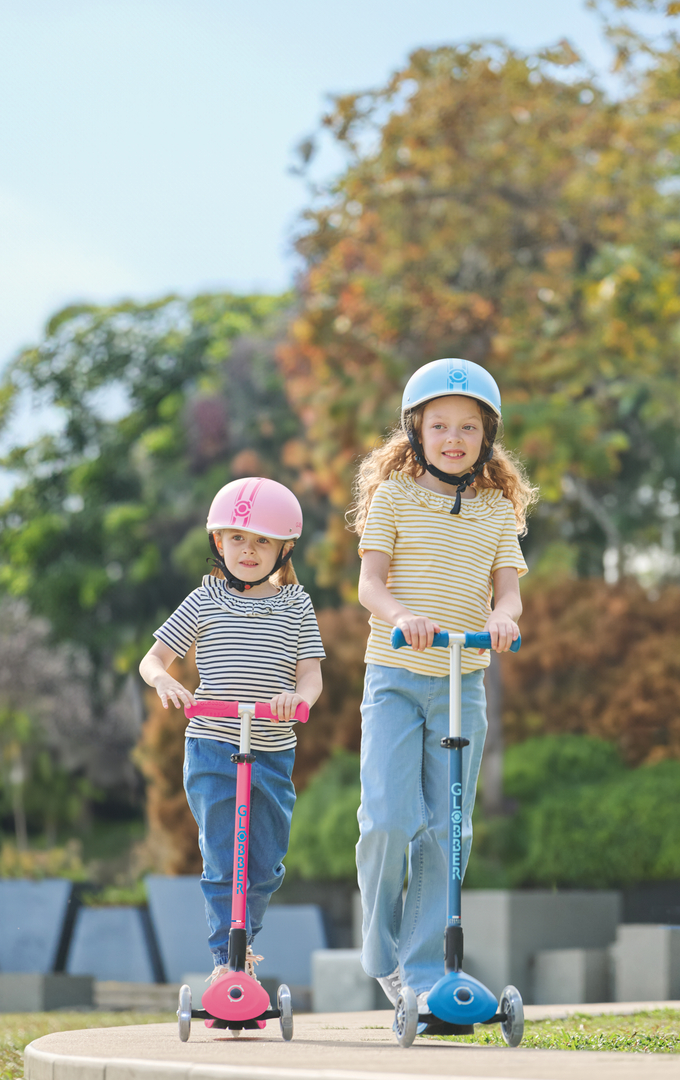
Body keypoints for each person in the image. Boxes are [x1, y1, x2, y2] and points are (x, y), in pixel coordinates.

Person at [348, 357, 537, 1030]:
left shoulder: (496, 511)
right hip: (396, 679)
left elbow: (507, 589)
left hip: (462, 683)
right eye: (439, 426)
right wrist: (402, 616)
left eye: (467, 427)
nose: (453, 438)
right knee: (390, 820)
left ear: (486, 436)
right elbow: (370, 584)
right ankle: (380, 952)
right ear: (416, 431)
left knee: (447, 832)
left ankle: (426, 973)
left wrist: (501, 617)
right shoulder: (394, 498)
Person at [139, 477, 325, 982]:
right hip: (212, 743)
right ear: (217, 543)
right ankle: (228, 964)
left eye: (262, 540)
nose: (248, 550)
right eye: (237, 538)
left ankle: (244, 949)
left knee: (263, 864)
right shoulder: (204, 601)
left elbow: (311, 673)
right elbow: (152, 660)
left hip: (271, 747)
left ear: (284, 549)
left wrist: (298, 700)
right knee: (224, 857)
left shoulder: (296, 606)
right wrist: (166, 683)